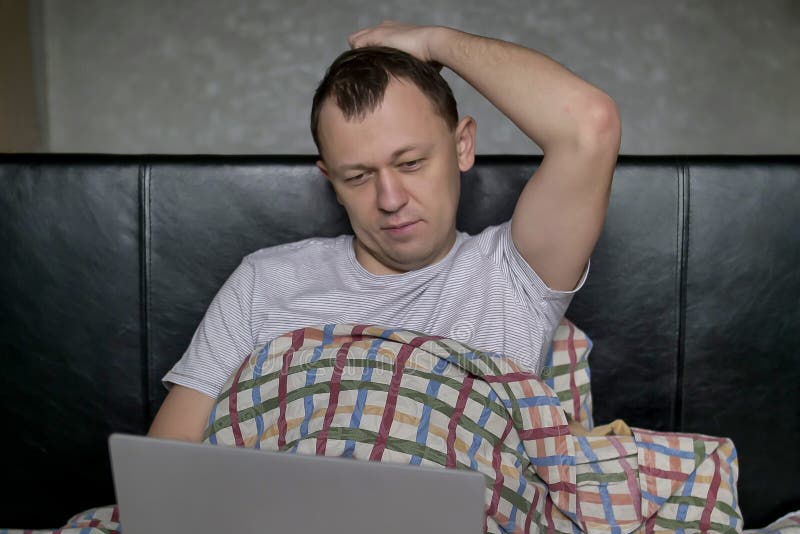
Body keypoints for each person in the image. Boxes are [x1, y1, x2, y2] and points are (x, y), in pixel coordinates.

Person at [148, 20, 621, 442]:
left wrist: (435, 41)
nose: (390, 199)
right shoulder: (265, 281)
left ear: (462, 146)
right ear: (331, 181)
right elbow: (169, 457)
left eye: (411, 163)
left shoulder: (511, 275)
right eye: (358, 176)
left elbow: (589, 125)